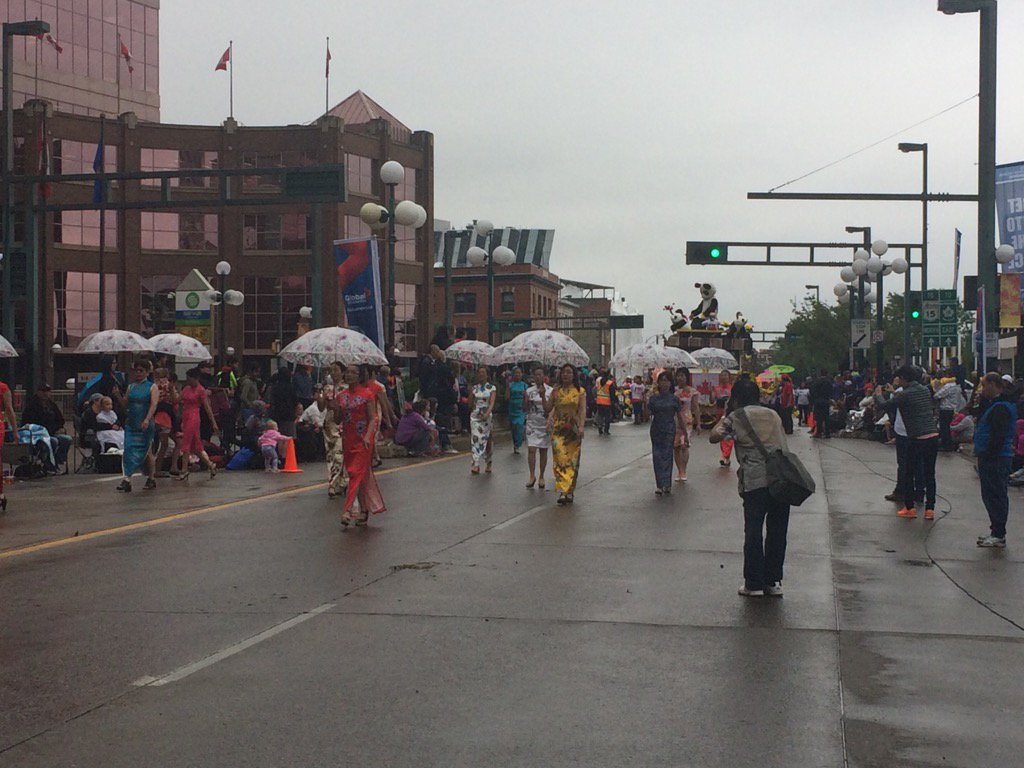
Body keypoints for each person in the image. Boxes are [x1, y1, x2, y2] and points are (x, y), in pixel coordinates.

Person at [710, 377, 790, 597]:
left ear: (735, 399)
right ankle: (772, 582)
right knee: (777, 532)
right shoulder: (773, 415)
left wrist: (727, 417)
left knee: (754, 531)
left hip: (755, 482)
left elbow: (713, 437)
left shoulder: (736, 417)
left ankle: (753, 583)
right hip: (781, 480)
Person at [883, 365, 938, 520]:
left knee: (908, 472)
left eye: (899, 378)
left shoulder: (905, 394)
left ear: (904, 378)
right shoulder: (925, 390)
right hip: (932, 436)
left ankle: (910, 508)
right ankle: (929, 510)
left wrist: (879, 395)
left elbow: (884, 406)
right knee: (930, 474)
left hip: (916, 437)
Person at [333, 365, 385, 527]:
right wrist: (335, 408)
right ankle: (364, 509)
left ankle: (347, 510)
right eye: (347, 372)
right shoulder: (341, 396)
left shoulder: (367, 394)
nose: (349, 375)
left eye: (353, 373)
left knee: (356, 473)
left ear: (360, 376)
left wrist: (369, 436)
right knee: (358, 475)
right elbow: (337, 420)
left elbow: (372, 419)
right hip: (348, 439)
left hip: (363, 440)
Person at [974, 372, 1014, 547]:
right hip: (992, 457)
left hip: (995, 458)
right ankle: (995, 530)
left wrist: (988, 454)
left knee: (995, 495)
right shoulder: (995, 405)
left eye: (984, 386)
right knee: (990, 494)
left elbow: (998, 436)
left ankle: (999, 533)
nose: (982, 390)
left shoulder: (1000, 408)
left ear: (993, 385)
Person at [546, 363, 587, 505]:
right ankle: (563, 490)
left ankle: (569, 491)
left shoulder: (579, 391)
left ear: (574, 375)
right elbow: (549, 407)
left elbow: (582, 410)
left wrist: (581, 426)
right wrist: (542, 396)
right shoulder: (556, 391)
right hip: (558, 430)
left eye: (569, 372)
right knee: (560, 459)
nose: (566, 375)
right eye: (563, 372)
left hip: (573, 430)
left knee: (572, 462)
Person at [117, 360, 160, 492]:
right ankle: (127, 479)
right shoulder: (131, 387)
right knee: (128, 449)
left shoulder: (152, 387)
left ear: (147, 372)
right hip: (131, 423)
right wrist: (117, 395)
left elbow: (154, 404)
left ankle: (151, 477)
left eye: (141, 370)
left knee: (147, 452)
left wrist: (147, 419)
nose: (138, 373)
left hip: (145, 423)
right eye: (136, 370)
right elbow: (125, 404)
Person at [177, 367, 219, 481]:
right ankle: (210, 464)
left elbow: (207, 407)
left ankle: (184, 469)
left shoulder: (200, 390)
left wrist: (213, 422)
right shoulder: (186, 388)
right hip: (186, 416)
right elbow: (177, 400)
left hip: (194, 416)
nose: (188, 381)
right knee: (196, 447)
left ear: (196, 378)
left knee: (186, 443)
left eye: (190, 379)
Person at [648, 371, 685, 495]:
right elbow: (646, 414)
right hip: (656, 429)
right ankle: (659, 484)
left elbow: (680, 416)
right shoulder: (653, 398)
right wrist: (644, 399)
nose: (664, 383)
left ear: (670, 383)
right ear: (658, 383)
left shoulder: (674, 399)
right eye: (662, 380)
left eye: (666, 380)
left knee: (667, 456)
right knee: (657, 456)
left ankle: (667, 484)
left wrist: (684, 432)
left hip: (669, 429)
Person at [21, 384, 72, 470]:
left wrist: (56, 428)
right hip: (37, 435)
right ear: (38, 392)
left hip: (52, 432)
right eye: (43, 391)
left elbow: (60, 420)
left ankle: (57, 460)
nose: (45, 393)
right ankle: (48, 463)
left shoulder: (52, 405)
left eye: (48, 391)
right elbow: (27, 422)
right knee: (53, 441)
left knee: (67, 439)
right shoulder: (31, 405)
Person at [320, 362, 348, 499]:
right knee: (331, 455)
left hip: (342, 424)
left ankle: (333, 483)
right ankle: (339, 481)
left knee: (339, 453)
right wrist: (321, 397)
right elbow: (321, 407)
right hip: (329, 424)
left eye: (336, 370)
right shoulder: (328, 388)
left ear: (342, 372)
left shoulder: (347, 389)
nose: (334, 373)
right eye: (331, 371)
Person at [524, 366, 553, 489]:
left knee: (543, 450)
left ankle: (541, 476)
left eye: (540, 374)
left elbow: (552, 408)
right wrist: (526, 401)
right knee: (531, 449)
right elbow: (524, 408)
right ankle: (532, 475)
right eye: (535, 374)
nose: (538, 377)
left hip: (544, 423)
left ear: (544, 376)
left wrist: (549, 419)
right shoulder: (529, 391)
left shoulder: (550, 391)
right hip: (532, 423)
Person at [673, 368, 702, 482]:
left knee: (684, 446)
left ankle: (684, 470)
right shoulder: (674, 391)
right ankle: (679, 470)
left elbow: (695, 407)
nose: (680, 378)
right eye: (678, 375)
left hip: (687, 421)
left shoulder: (692, 391)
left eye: (682, 376)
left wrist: (698, 423)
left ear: (687, 377)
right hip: (675, 421)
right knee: (676, 446)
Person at [469, 366, 496, 475]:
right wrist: (470, 393)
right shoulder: (474, 388)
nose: (481, 375)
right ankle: (475, 463)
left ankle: (488, 461)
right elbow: (470, 404)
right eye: (479, 373)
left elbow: (492, 402)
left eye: (483, 373)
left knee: (487, 439)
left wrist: (487, 413)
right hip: (476, 416)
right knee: (475, 439)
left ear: (487, 374)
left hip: (486, 416)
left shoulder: (492, 388)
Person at [0, 376, 18, 512]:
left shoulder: (3, 388)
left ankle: (0, 492)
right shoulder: (3, 388)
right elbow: (9, 410)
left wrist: (15, 430)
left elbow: (9, 410)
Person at [934, 373, 965, 452]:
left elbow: (937, 395)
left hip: (945, 408)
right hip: (953, 409)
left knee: (944, 428)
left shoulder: (948, 386)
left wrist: (937, 388)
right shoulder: (957, 387)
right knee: (948, 427)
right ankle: (949, 444)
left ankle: (946, 445)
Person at [268, 366, 299, 437]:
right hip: (289, 416)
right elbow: (295, 401)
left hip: (277, 416)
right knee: (289, 439)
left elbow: (272, 401)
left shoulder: (275, 388)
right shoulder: (291, 387)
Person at [713, 371, 734, 466]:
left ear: (729, 377)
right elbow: (712, 400)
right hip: (719, 414)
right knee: (721, 434)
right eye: (721, 375)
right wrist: (711, 393)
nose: (723, 377)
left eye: (725, 375)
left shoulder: (732, 389)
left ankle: (724, 456)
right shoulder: (716, 388)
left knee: (728, 435)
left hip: (729, 414)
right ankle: (726, 457)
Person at [507, 367, 528, 454]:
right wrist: (507, 388)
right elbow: (507, 397)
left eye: (519, 373)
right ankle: (515, 444)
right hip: (512, 408)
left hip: (521, 408)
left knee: (519, 425)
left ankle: (518, 444)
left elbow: (527, 398)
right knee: (514, 428)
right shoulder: (510, 385)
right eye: (516, 373)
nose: (517, 375)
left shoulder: (524, 385)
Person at [810, 370, 833, 438]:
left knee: (818, 417)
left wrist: (814, 399)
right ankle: (827, 433)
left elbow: (812, 390)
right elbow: (831, 391)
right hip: (826, 401)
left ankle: (819, 432)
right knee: (826, 417)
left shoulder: (816, 381)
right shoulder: (828, 382)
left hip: (818, 401)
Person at [594, 370, 615, 436]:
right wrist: (613, 402)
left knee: (600, 416)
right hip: (607, 403)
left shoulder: (598, 382)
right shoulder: (610, 383)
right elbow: (612, 394)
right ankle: (606, 430)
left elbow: (595, 390)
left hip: (599, 402)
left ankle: (600, 428)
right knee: (607, 417)